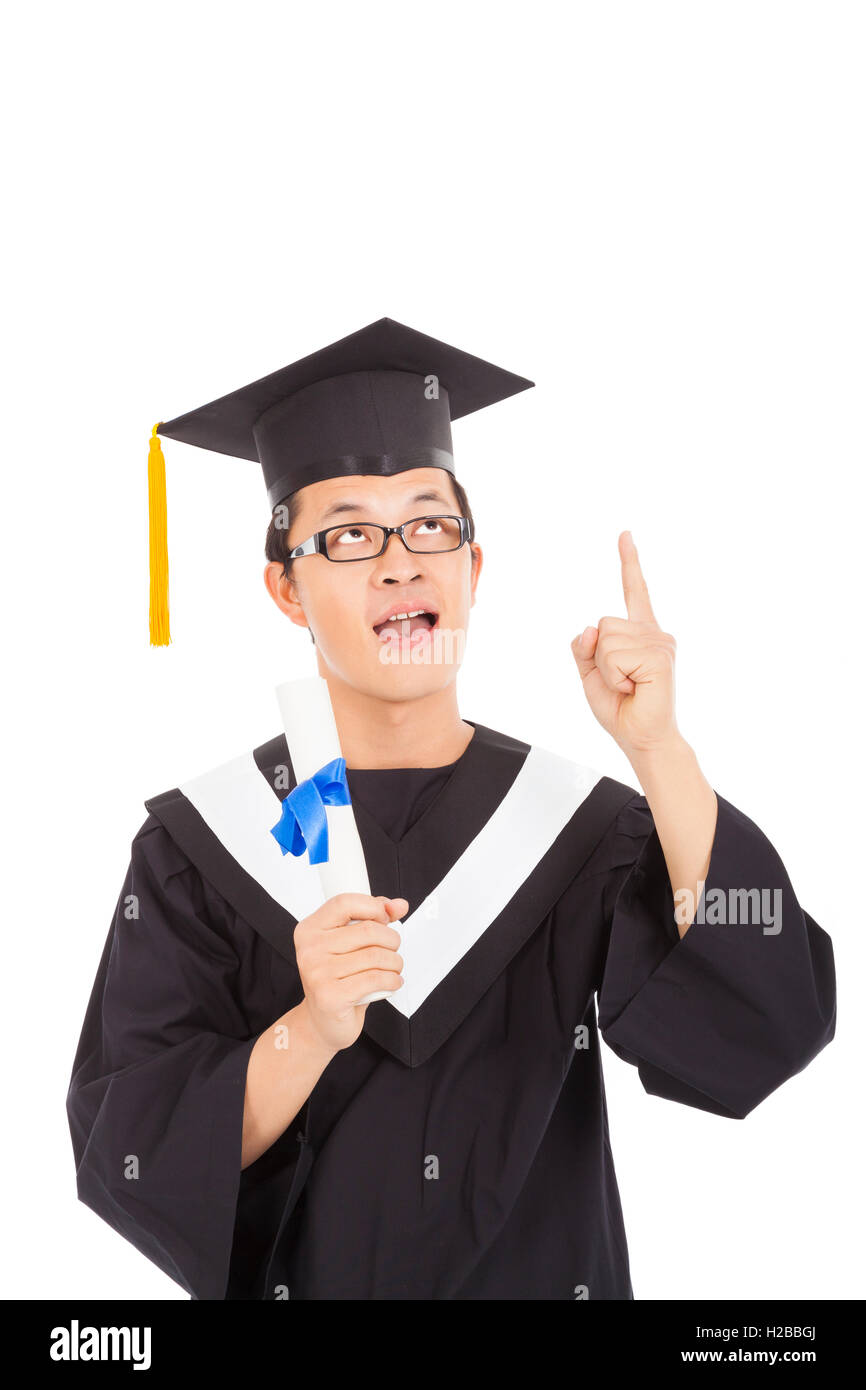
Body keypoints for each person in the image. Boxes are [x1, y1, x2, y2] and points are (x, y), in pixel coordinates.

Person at [66, 317, 836, 1300]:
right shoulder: (202, 846)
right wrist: (310, 1026)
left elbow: (767, 1022)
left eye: (429, 524)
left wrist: (658, 751)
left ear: (471, 570)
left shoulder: (580, 833)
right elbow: (127, 1148)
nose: (398, 561)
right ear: (286, 590)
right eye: (347, 533)